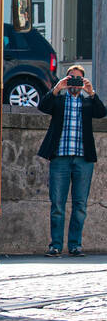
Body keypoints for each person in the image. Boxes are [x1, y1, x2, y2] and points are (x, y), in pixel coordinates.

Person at [37, 65, 106, 256]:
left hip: (83, 160)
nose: (74, 82)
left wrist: (92, 93)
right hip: (60, 159)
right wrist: (57, 88)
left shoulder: (87, 102)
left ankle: (75, 245)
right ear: (66, 80)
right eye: (71, 78)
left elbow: (102, 113)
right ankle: (56, 245)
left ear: (83, 82)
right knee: (57, 204)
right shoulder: (58, 100)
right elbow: (42, 106)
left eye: (78, 79)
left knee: (80, 205)